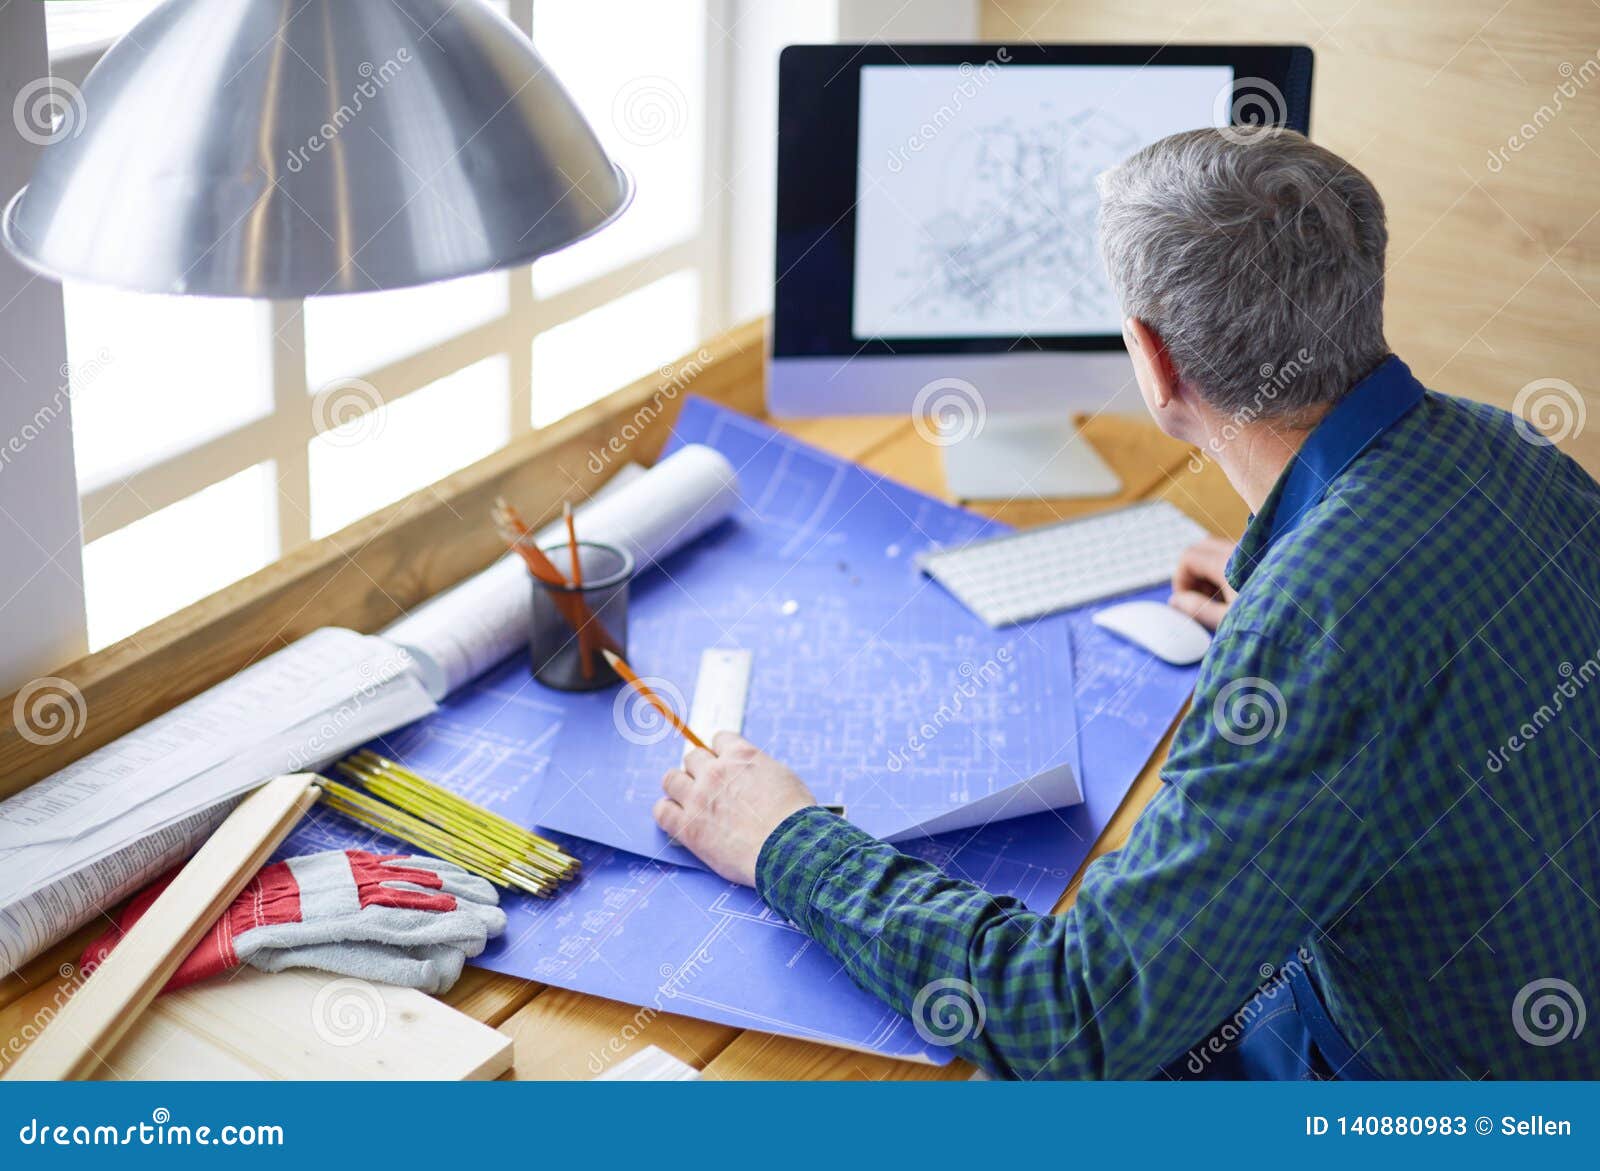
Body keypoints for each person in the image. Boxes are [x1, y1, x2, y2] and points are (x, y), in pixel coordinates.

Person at [652, 127, 1600, 1079]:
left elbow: (1074, 1022)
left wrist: (784, 840)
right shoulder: (1513, 450)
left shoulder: (1321, 621)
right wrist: (1291, 602)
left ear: (1153, 361)